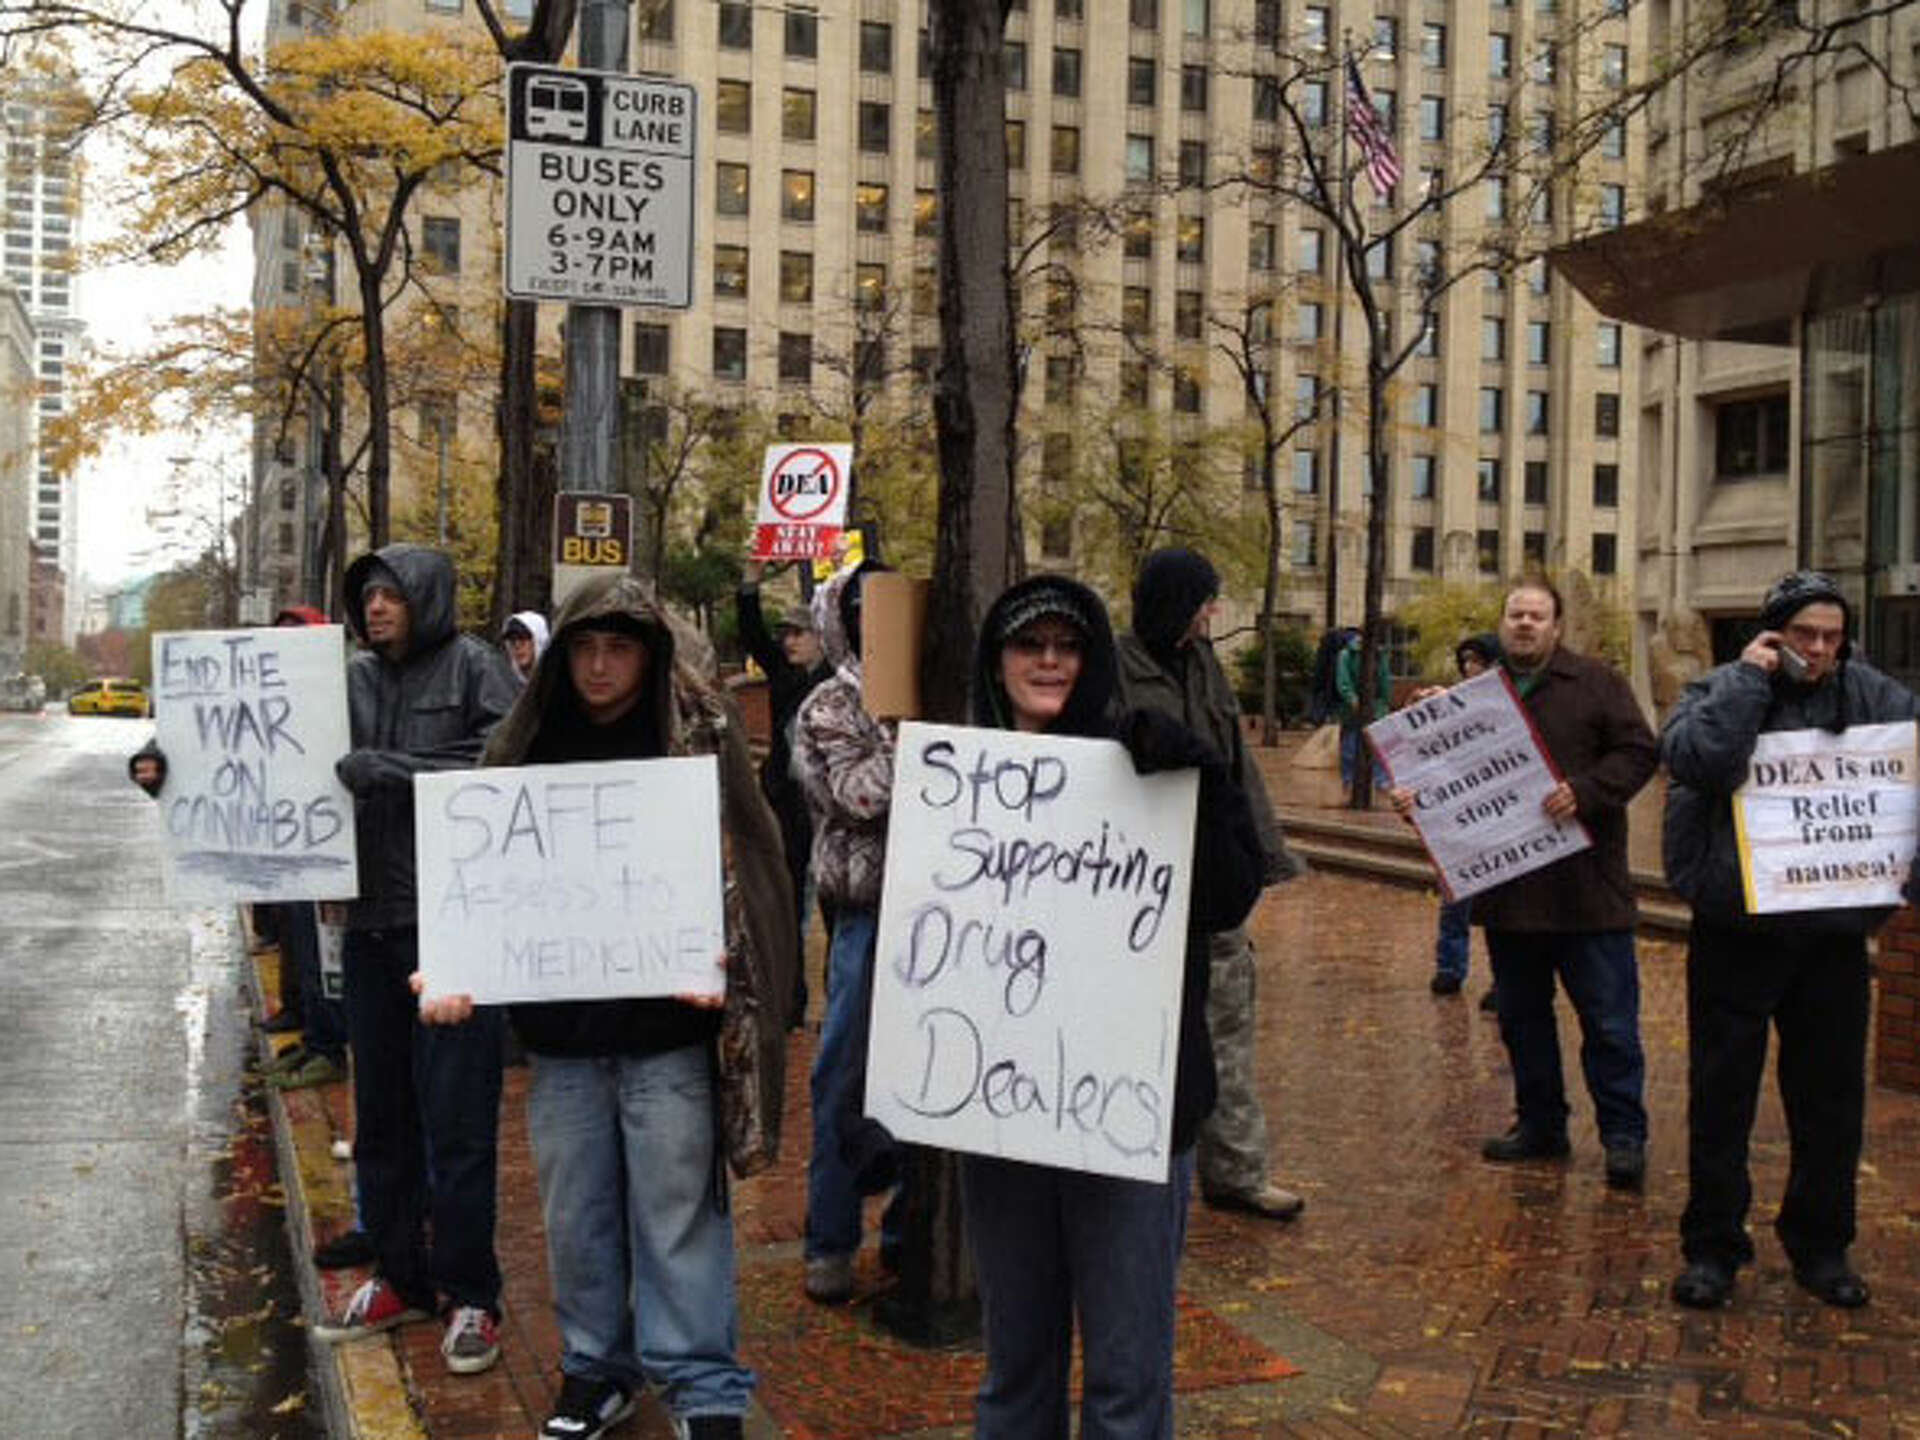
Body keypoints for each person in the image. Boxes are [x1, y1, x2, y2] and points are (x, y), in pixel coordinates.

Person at [417, 573, 796, 1440]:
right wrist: (456, 963)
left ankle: (703, 1389)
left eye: (618, 648)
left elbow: (754, 855)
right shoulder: (527, 745)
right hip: (564, 1041)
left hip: (670, 1035)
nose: (598, 666)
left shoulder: (695, 735)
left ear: (648, 652)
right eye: (584, 647)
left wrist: (739, 965)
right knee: (577, 1216)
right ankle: (596, 1371)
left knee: (678, 1220)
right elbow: (478, 879)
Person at [963, 574, 1264, 1439]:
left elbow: (1230, 896)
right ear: (999, 660)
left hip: (1131, 1111)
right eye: (1030, 644)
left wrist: (1199, 785)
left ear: (1093, 659)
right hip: (1004, 1115)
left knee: (1128, 1378)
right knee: (1015, 1372)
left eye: (1069, 645)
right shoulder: (960, 780)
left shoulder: (1146, 758)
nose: (1050, 661)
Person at [1661, 571, 1917, 1310]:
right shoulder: (1718, 689)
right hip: (1737, 932)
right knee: (1721, 1098)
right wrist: (1750, 680)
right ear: (1775, 632)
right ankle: (1712, 1248)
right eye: (1804, 633)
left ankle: (1822, 1245)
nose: (1819, 648)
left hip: (1831, 939)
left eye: (1832, 636)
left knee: (1830, 1103)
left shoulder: (1880, 699)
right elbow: (1698, 761)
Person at [311, 543, 519, 1375]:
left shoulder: (476, 669)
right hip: (368, 927)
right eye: (367, 596)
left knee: (460, 1124)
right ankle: (401, 1277)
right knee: (383, 1123)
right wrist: (165, 773)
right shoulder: (349, 682)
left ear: (426, 597)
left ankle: (473, 1294)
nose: (377, 608)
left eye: (392, 594)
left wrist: (390, 770)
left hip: (455, 928)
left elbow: (504, 764)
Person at [1399, 579, 1658, 1187]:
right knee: (1522, 1020)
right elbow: (1444, 782)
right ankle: (1541, 1125)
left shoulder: (1596, 683)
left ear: (1557, 626)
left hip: (1589, 893)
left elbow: (1641, 751)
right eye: (1515, 615)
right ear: (1502, 622)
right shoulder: (1473, 699)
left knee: (1610, 1025)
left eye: (1536, 616)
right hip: (1513, 894)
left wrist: (1588, 792)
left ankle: (1624, 1136)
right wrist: (1415, 797)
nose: (1524, 624)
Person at [1115, 547, 1308, 1222]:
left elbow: (1236, 765)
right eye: (1203, 600)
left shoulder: (1205, 666)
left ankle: (1238, 1171)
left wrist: (1262, 852)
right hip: (1136, 892)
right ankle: (1129, 1161)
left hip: (1211, 881)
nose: (1211, 613)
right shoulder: (1114, 668)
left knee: (1228, 1029)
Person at [127, 604, 350, 1089]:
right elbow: (192, 736)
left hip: (322, 843)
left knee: (323, 953)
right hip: (285, 842)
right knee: (300, 948)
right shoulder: (256, 690)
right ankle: (313, 1037)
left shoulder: (341, 691)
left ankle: (329, 1045)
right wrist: (152, 759)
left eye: (298, 638)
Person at [791, 558, 902, 1304]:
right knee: (842, 1081)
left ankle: (907, 1236)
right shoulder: (829, 706)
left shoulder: (941, 688)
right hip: (865, 919)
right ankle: (830, 1240)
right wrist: (913, 731)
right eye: (860, 605)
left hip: (941, 920)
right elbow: (861, 795)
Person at [737, 562, 833, 1024]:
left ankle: (836, 1003)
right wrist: (750, 583)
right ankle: (791, 1002)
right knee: (788, 898)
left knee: (832, 903)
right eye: (786, 633)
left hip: (828, 805)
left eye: (799, 633)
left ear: (821, 636)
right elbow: (752, 634)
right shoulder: (781, 673)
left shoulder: (837, 678)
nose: (790, 641)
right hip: (786, 800)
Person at [1428, 633, 1501, 1004]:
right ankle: (1450, 967)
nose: (1471, 668)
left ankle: (1502, 981)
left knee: (1498, 906)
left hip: (1498, 816)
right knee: (1454, 900)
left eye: (1479, 661)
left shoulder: (1505, 705)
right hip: (1458, 818)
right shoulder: (1449, 703)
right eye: (1467, 661)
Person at [1335, 624, 1392, 789]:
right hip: (1351, 709)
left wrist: (1382, 706)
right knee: (1350, 746)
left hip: (1375, 706)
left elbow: (1384, 682)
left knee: (1379, 745)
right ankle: (1349, 778)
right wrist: (1353, 700)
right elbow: (1343, 682)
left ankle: (1380, 779)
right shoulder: (1346, 655)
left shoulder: (1379, 655)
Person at [501, 610, 550, 684]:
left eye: (523, 637)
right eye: (512, 640)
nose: (517, 645)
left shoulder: (554, 683)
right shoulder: (506, 685)